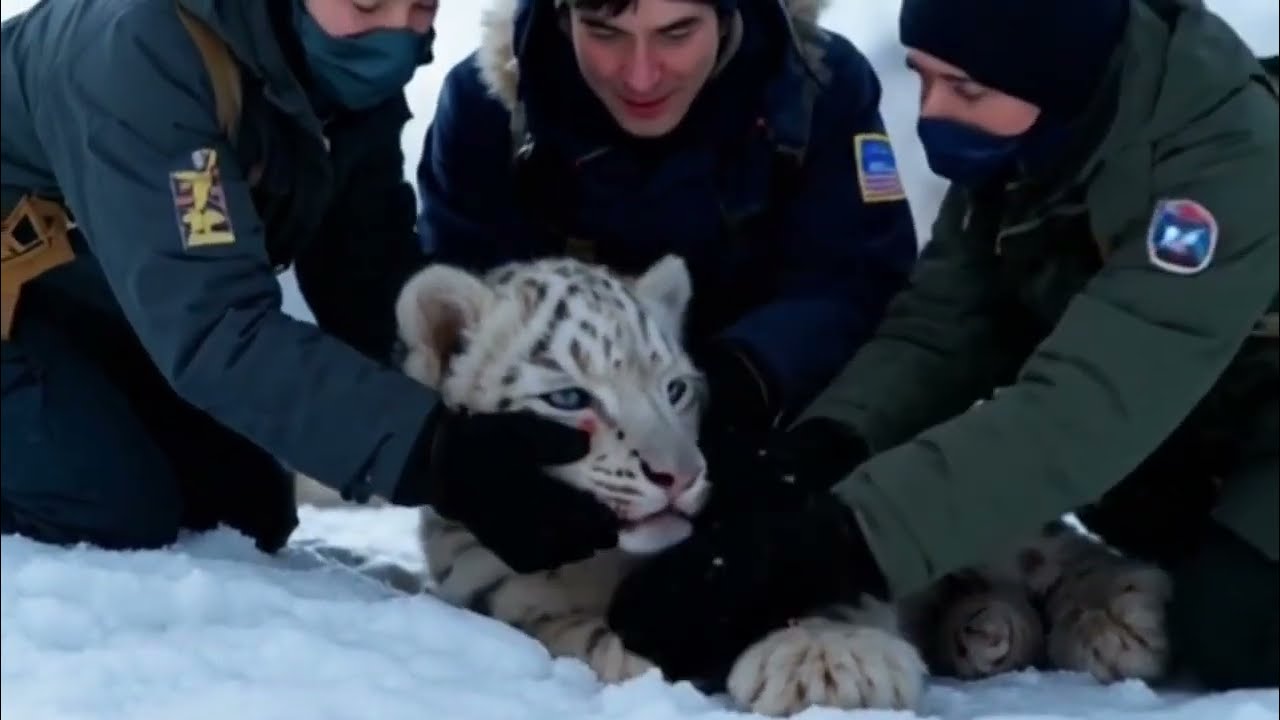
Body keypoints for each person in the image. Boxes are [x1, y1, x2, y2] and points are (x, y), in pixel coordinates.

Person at [606, 0, 1279, 692]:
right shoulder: (1037, 135)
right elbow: (939, 329)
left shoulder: (1224, 169)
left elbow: (1091, 402)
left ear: (1055, 74)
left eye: (964, 88)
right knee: (1160, 540)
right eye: (923, 77)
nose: (933, 112)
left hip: (1242, 426)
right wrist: (809, 459)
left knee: (1233, 625)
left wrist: (836, 544)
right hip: (1199, 440)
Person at [1, 0, 623, 571]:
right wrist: (437, 457)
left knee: (243, 508)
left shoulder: (335, 73)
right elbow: (217, 327)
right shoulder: (141, 55)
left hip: (69, 300)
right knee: (107, 513)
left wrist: (484, 418)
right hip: (39, 300)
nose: (396, 34)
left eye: (421, 7)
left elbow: (364, 275)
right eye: (368, 2)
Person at [415, 0, 919, 439]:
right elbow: (460, 333)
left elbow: (859, 284)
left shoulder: (816, 87)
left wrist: (744, 376)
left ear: (728, 16)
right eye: (605, 33)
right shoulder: (488, 108)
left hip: (776, 415)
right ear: (562, 18)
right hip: (569, 434)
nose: (641, 76)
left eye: (676, 33)